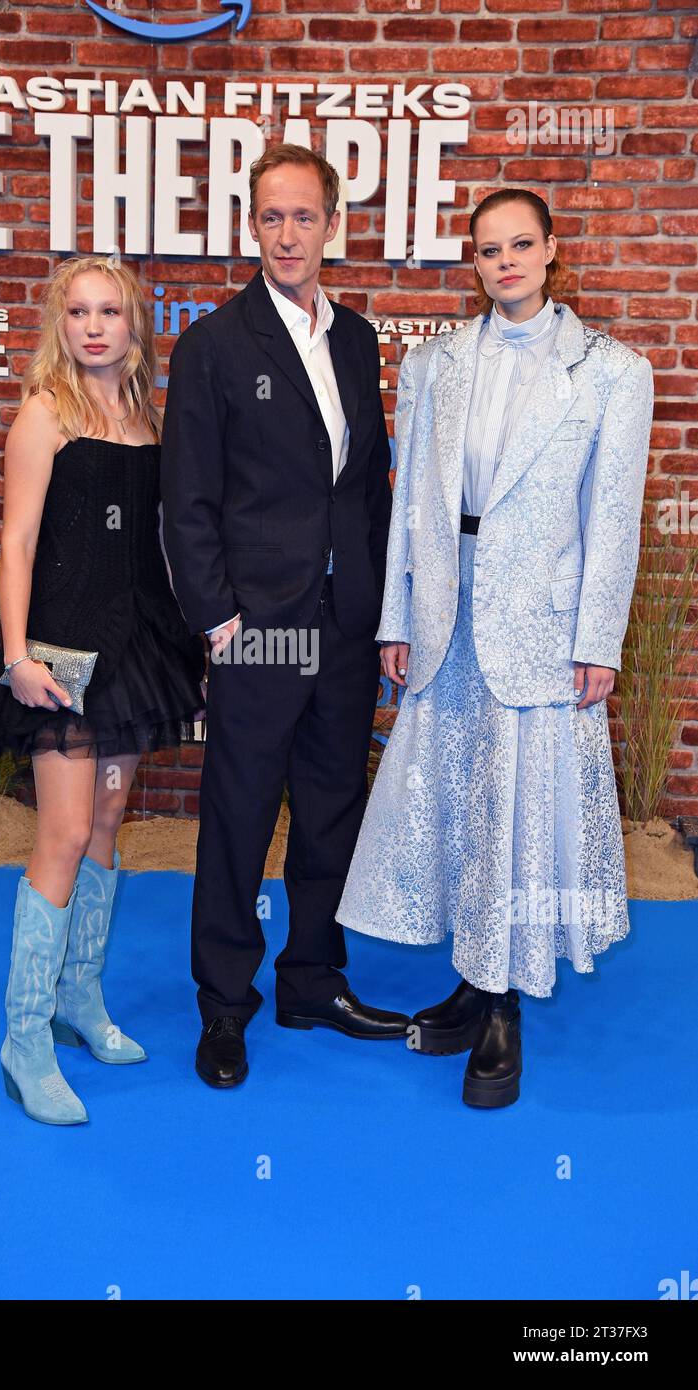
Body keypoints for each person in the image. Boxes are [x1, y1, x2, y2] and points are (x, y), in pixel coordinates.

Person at [336, 188, 655, 1109]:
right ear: (471, 261)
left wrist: (597, 638)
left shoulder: (609, 372)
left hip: (542, 628)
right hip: (447, 611)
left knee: (517, 809)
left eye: (521, 245)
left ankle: (503, 1008)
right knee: (465, 807)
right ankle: (474, 978)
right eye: (487, 249)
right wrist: (397, 614)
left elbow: (613, 520)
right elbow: (409, 504)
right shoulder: (435, 364)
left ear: (550, 251)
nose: (504, 261)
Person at [161, 144, 411, 1090]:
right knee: (236, 814)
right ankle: (224, 1004)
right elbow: (187, 499)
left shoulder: (355, 338)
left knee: (331, 811)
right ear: (250, 226)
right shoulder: (214, 345)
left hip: (344, 621)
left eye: (304, 216)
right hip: (258, 626)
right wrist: (218, 618)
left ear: (331, 226)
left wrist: (387, 607)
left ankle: (312, 977)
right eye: (271, 216)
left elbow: (368, 488)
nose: (287, 234)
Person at [0, 254, 206, 1125]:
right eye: (79, 313)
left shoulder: (147, 418)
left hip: (136, 650)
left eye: (111, 311)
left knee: (107, 825)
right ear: (58, 324)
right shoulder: (45, 413)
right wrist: (15, 656)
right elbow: (17, 542)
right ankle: (23, 1039)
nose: (95, 326)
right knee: (65, 833)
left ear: (134, 325)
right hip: (60, 657)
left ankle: (79, 1000)